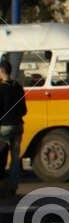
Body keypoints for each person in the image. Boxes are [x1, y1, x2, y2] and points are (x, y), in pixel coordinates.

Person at [0, 59, 26, 197]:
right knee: (15, 158)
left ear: (1, 71)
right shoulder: (18, 87)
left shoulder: (1, 88)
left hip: (4, 127)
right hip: (18, 126)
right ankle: (13, 186)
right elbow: (24, 110)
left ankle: (2, 185)